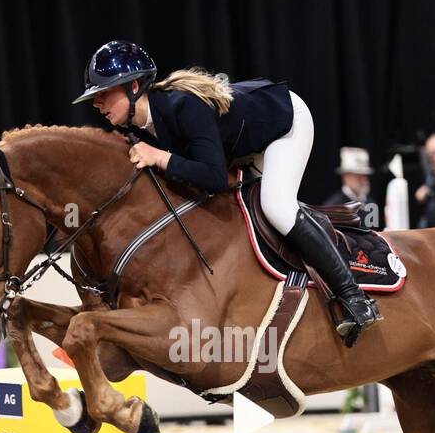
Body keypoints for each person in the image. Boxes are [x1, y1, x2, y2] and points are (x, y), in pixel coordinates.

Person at [73, 40, 381, 346]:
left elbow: (214, 177)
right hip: (240, 146)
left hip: (283, 122)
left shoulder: (184, 106)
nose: (97, 104)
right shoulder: (136, 129)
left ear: (135, 86)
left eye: (103, 94)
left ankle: (355, 297)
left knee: (275, 206)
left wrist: (161, 158)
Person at [323, 146, 380, 228]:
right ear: (346, 177)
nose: (364, 180)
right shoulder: (333, 207)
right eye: (358, 176)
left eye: (365, 176)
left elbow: (374, 234)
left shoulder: (371, 204)